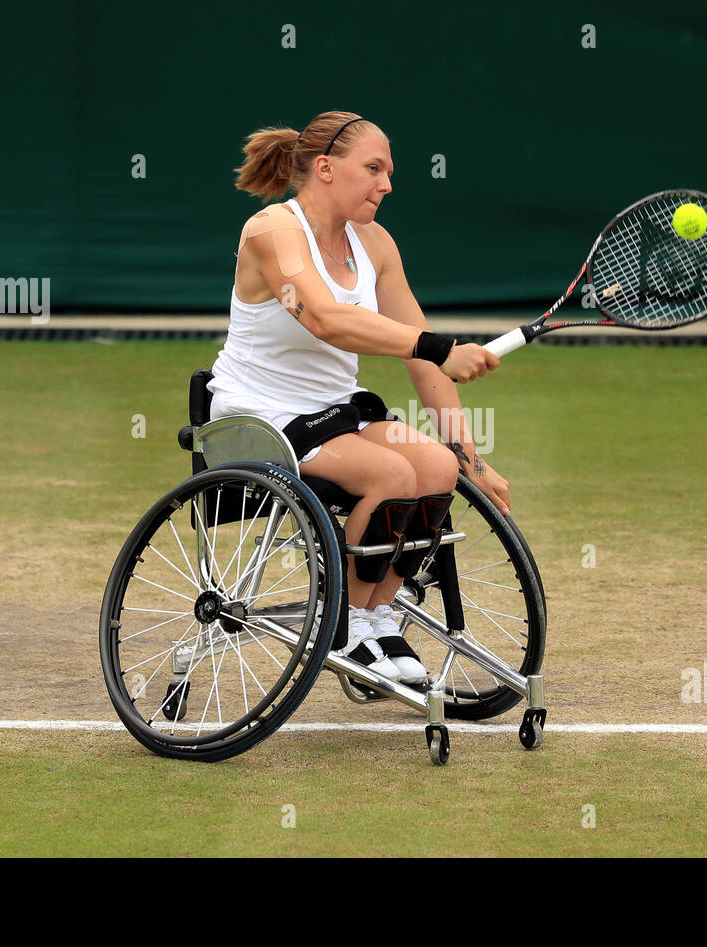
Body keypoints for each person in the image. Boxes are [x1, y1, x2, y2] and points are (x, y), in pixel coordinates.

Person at [211, 110, 510, 685]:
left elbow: (424, 365)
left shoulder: (374, 245)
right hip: (258, 417)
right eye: (373, 168)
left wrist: (473, 459)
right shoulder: (271, 231)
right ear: (325, 168)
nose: (387, 184)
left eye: (388, 171)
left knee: (436, 466)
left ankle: (376, 615)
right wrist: (439, 345)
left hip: (337, 414)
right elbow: (326, 319)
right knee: (391, 477)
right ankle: (343, 620)